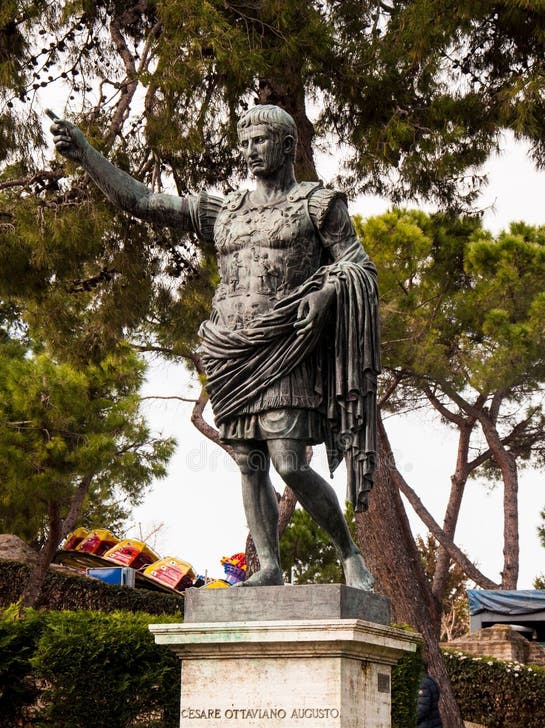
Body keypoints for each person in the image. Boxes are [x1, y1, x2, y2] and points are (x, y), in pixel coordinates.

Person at [48, 104, 379, 590]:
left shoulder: (317, 205)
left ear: (287, 147)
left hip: (286, 342)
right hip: (229, 348)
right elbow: (142, 200)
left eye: (259, 142)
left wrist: (327, 292)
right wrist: (87, 155)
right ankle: (268, 565)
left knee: (288, 462)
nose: (248, 152)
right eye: (243, 143)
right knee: (249, 460)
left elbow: (359, 268)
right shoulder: (223, 209)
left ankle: (349, 553)